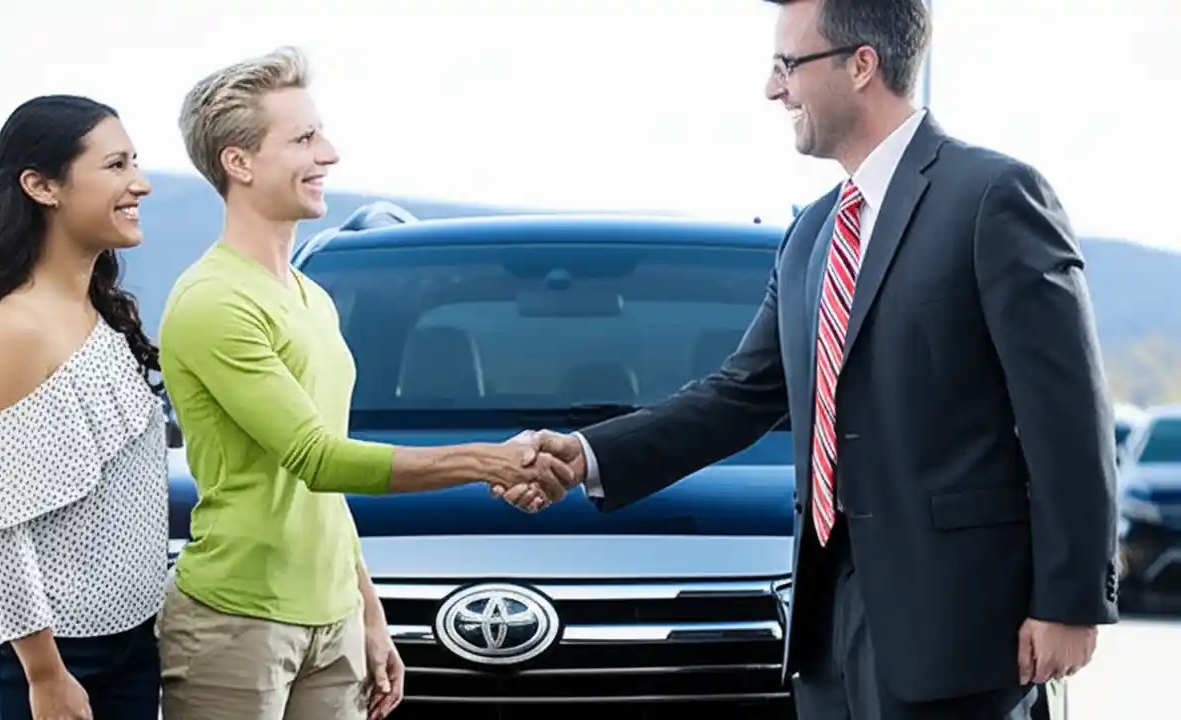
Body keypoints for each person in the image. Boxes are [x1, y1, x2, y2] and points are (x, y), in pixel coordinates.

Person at [504, 0, 1118, 717]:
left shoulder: (992, 197)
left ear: (862, 65)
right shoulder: (810, 235)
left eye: (787, 66)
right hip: (828, 630)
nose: (774, 89)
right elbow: (739, 395)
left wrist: (1071, 600)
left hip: (961, 625)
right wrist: (583, 455)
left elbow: (1068, 414)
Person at [155, 46, 564, 720]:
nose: (330, 154)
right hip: (237, 622)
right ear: (240, 162)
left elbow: (327, 494)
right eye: (305, 139)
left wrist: (369, 613)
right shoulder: (213, 301)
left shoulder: (312, 298)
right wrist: (485, 460)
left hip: (333, 620)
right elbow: (319, 459)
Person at [0, 95, 166, 720]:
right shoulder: (17, 329)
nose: (138, 183)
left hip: (127, 645)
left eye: (135, 163)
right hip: (37, 661)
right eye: (115, 165)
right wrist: (45, 672)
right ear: (41, 186)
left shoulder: (106, 318)